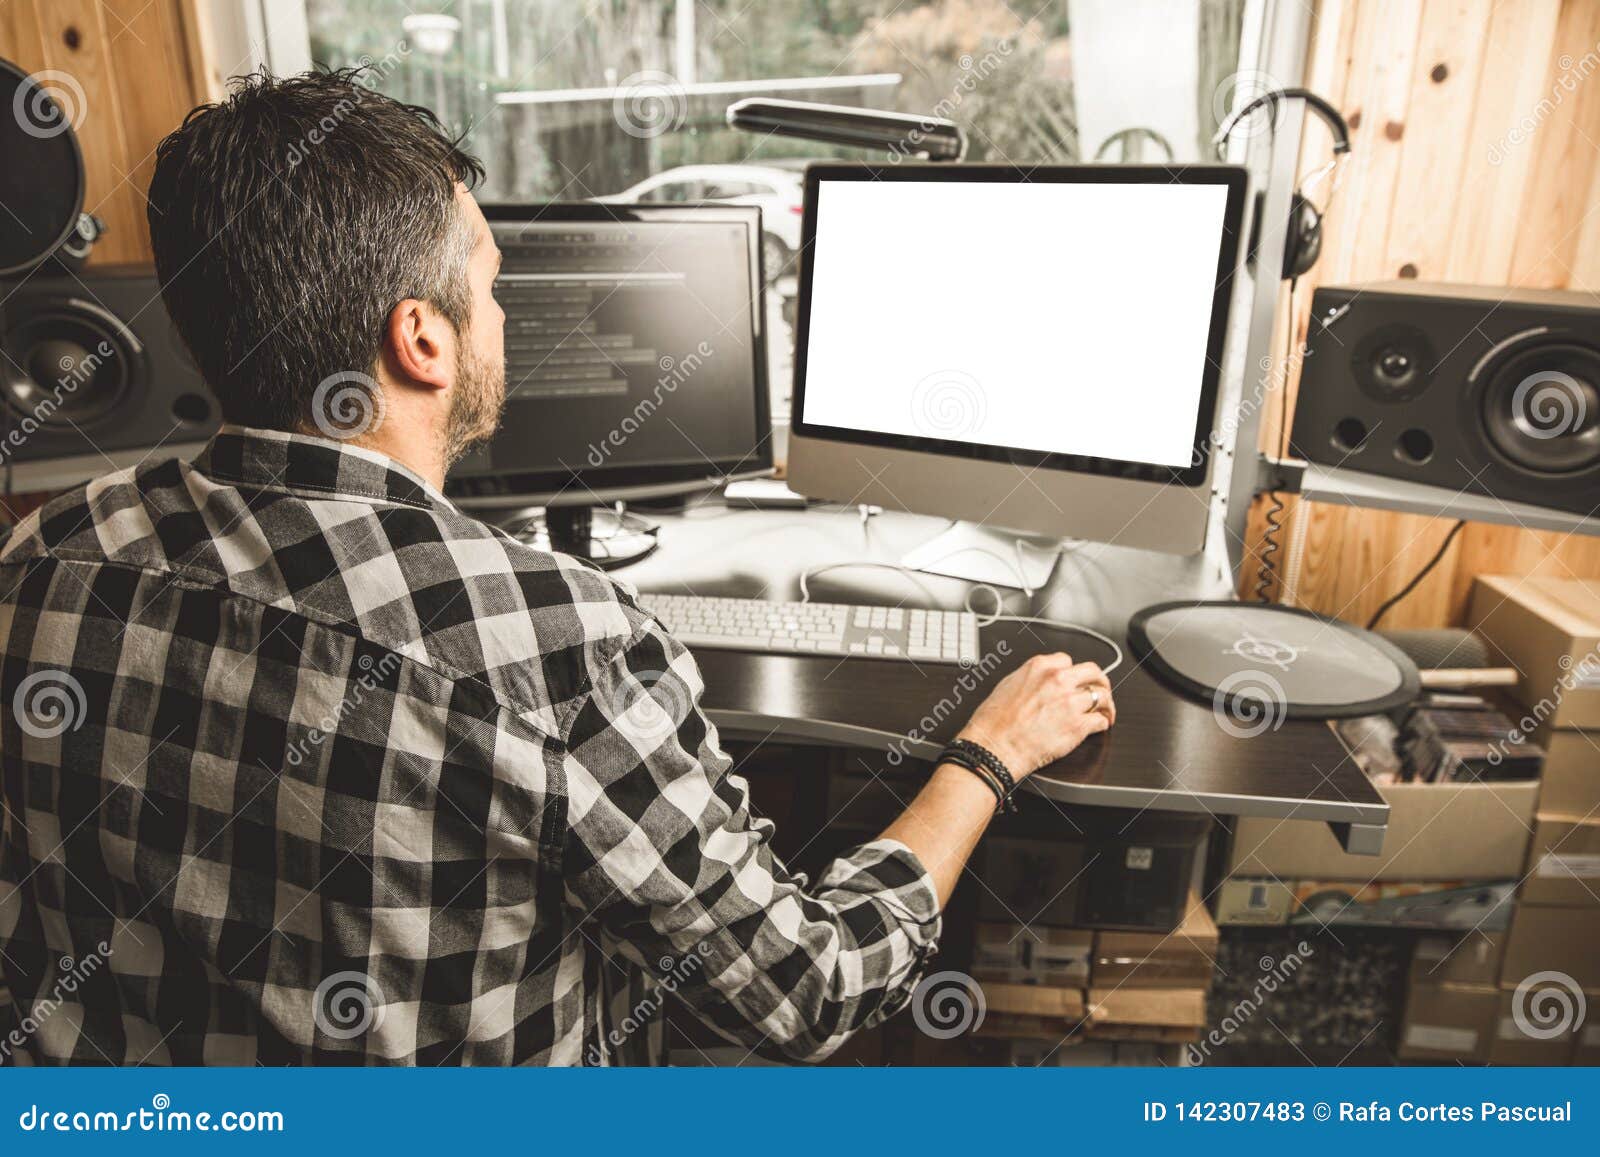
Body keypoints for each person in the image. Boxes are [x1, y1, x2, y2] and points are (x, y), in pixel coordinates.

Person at [0, 70, 1114, 1066]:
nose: (502, 310)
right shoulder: (552, 644)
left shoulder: (41, 556)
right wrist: (989, 753)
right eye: (491, 285)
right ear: (421, 340)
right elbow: (811, 989)